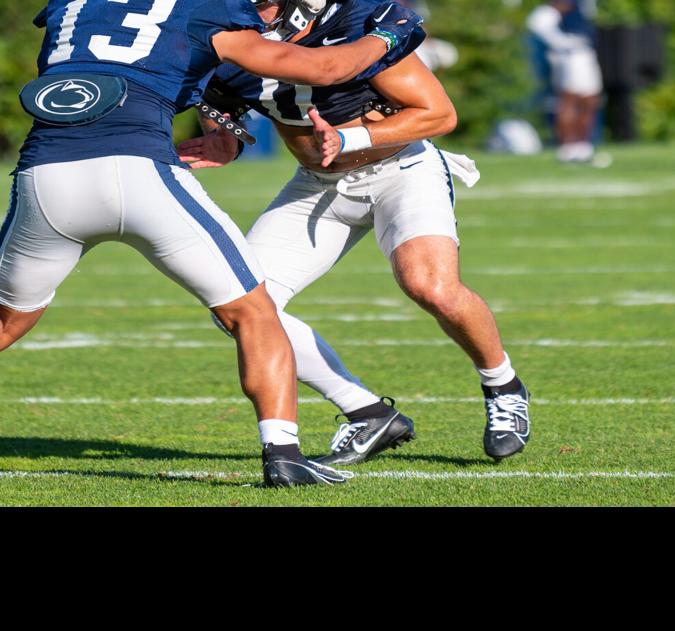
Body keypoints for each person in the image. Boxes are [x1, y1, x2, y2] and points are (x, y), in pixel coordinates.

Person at [0, 0, 422, 488]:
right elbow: (314, 68)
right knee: (252, 312)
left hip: (47, 173)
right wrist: (387, 38)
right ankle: (284, 456)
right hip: (142, 169)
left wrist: (218, 110)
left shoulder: (72, 6)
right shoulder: (204, 7)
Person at [180, 0, 531, 466]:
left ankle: (502, 384)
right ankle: (366, 411)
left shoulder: (351, 19)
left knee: (431, 286)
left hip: (401, 168)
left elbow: (438, 114)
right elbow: (224, 110)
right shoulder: (220, 29)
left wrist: (353, 138)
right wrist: (224, 143)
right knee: (239, 305)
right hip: (318, 185)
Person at [527, 0, 601, 164]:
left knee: (590, 101)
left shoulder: (583, 5)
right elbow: (538, 24)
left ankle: (583, 146)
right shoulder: (552, 10)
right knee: (569, 99)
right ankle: (567, 147)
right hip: (570, 56)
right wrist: (563, 43)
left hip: (585, 52)